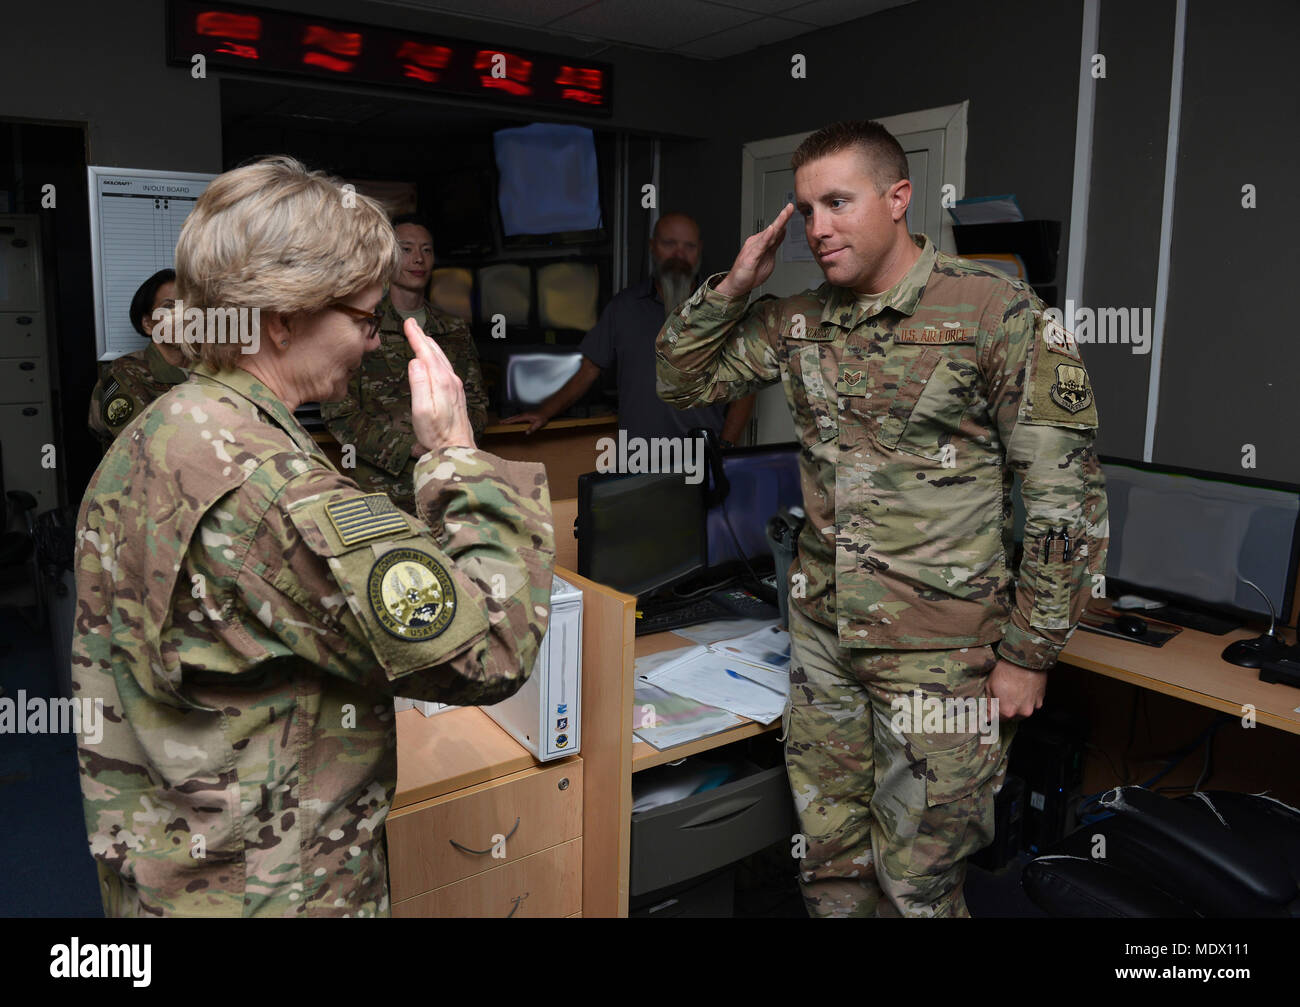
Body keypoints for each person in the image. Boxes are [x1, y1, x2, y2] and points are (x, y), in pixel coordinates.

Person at [72, 156, 556, 918]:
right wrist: (459, 458)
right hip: (274, 889)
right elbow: (491, 651)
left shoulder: (157, 432)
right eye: (365, 318)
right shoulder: (275, 492)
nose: (373, 343)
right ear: (283, 316)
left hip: (166, 865)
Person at [655, 121, 1108, 917]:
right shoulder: (799, 320)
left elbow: (1065, 497)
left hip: (943, 658)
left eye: (837, 201)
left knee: (918, 886)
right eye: (804, 209)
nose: (817, 226)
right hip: (825, 643)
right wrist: (734, 285)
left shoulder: (993, 312)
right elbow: (681, 381)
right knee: (830, 870)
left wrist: (1031, 652)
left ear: (898, 198)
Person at [507, 212, 754, 445]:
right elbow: (588, 370)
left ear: (699, 250)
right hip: (638, 461)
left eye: (688, 246)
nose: (679, 254)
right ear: (652, 247)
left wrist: (724, 449)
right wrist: (544, 412)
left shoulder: (724, 311)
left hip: (702, 461)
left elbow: (745, 390)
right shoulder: (623, 308)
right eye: (669, 243)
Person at [321, 213, 489, 513]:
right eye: (407, 249)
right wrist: (412, 447)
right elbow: (339, 414)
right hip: (380, 490)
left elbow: (475, 402)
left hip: (447, 481)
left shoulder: (453, 328)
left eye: (426, 250)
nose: (418, 259)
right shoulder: (360, 325)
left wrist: (449, 444)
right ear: (387, 258)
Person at [87, 268, 188, 448]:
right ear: (148, 324)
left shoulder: (211, 368)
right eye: (169, 307)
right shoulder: (124, 372)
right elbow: (142, 444)